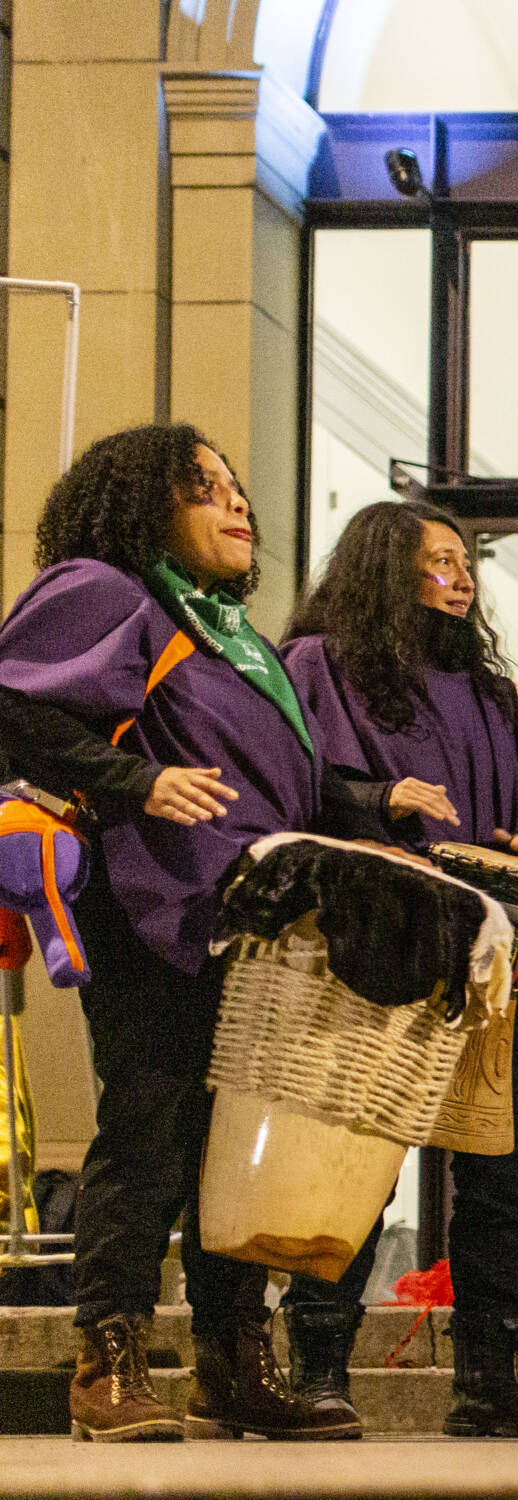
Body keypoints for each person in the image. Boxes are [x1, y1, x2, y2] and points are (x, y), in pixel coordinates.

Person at [0, 424, 378, 1441]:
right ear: (144, 509)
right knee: (150, 1133)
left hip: (246, 923)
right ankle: (106, 1366)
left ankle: (231, 1363)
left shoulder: (234, 637)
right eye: (203, 488)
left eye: (234, 485)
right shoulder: (109, 589)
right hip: (154, 912)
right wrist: (139, 779)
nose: (236, 503)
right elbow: (15, 709)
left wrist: (386, 806)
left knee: (233, 1152)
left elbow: (281, 780)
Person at [273, 499, 518, 1438]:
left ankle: (487, 1380)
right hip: (371, 946)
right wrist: (376, 795)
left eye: (465, 562)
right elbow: (283, 782)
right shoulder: (315, 666)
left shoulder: (492, 694)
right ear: (382, 568)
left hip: (485, 964)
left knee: (504, 1174)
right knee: (355, 1163)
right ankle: (321, 1368)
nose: (462, 575)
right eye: (440, 560)